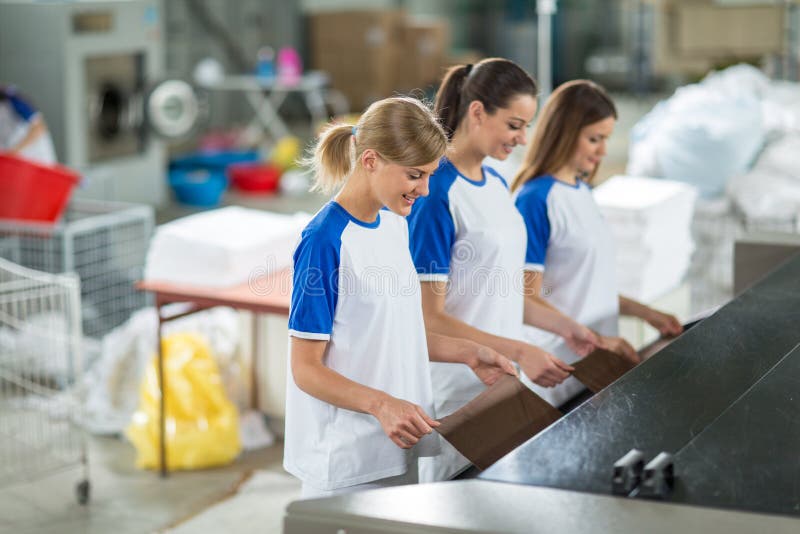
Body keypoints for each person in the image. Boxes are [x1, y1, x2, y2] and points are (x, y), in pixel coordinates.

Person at [284, 96, 517, 499]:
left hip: (400, 447)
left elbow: (393, 335)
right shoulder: (324, 241)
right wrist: (381, 405)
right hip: (347, 464)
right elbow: (306, 369)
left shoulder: (394, 225)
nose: (424, 190)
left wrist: (468, 352)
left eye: (429, 175)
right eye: (414, 175)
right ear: (370, 160)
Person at [407, 58, 598, 482]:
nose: (522, 138)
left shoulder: (494, 183)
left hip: (501, 384)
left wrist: (567, 327)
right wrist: (519, 350)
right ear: (477, 112)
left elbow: (503, 292)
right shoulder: (436, 192)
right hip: (455, 393)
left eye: (526, 126)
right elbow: (429, 317)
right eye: (514, 125)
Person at [511, 79, 683, 406]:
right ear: (564, 133)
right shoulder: (535, 200)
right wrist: (597, 340)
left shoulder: (581, 192)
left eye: (605, 138)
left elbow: (586, 287)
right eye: (594, 139)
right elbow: (523, 298)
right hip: (560, 374)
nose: (603, 151)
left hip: (596, 367)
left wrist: (646, 313)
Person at [0, 84, 56, 165]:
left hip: (35, 159)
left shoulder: (13, 100)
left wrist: (13, 152)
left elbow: (39, 127)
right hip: (15, 162)